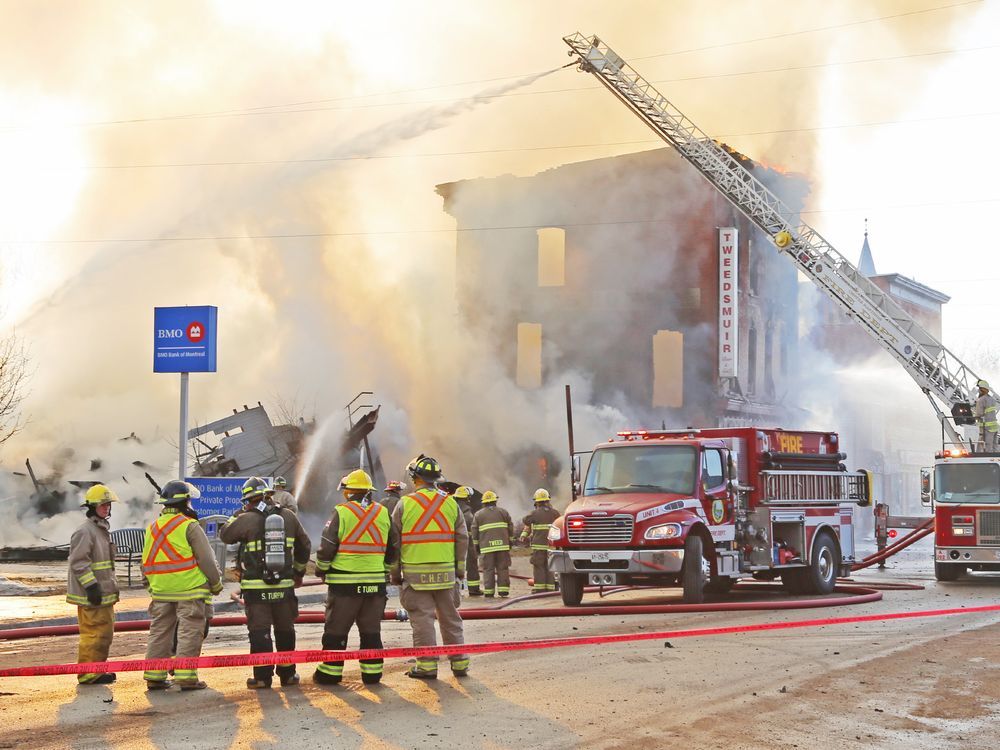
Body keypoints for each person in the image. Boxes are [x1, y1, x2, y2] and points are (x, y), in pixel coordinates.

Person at [219, 476, 311, 689]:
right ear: (269, 495)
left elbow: (225, 535)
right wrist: (298, 573)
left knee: (259, 631)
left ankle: (262, 678)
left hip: (256, 588)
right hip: (284, 586)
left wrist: (239, 513)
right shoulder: (288, 516)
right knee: (285, 630)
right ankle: (288, 675)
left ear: (249, 500)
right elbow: (305, 545)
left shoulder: (246, 518)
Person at [313, 469, 399, 685]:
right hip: (375, 585)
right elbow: (394, 547)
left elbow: (326, 547)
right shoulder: (382, 513)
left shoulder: (341, 512)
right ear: (368, 491)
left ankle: (329, 674)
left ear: (348, 491)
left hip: (344, 586)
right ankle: (372, 675)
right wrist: (384, 570)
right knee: (371, 631)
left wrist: (321, 569)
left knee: (336, 631)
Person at [390, 454, 470, 679]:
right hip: (446, 575)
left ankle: (426, 666)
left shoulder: (404, 504)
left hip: (416, 578)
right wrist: (460, 570)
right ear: (436, 479)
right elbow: (462, 538)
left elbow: (394, 543)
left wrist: (395, 573)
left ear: (416, 478)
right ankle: (460, 663)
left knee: (422, 619)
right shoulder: (450, 503)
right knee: (450, 618)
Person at [141, 480, 224, 691]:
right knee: (190, 630)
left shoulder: (152, 528)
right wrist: (215, 583)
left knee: (160, 631)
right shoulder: (189, 526)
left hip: (161, 590)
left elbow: (146, 561)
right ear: (185, 502)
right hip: (189, 588)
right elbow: (206, 559)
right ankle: (186, 677)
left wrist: (151, 585)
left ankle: (154, 676)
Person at [67, 484, 121, 685]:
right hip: (92, 595)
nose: (106, 508)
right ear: (92, 506)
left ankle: (96, 670)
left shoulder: (99, 529)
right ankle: (89, 673)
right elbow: (79, 562)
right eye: (102, 505)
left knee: (104, 634)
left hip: (103, 593)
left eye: (108, 504)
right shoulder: (85, 531)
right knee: (93, 634)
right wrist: (91, 586)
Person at [472, 490, 514, 598]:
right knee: (503, 568)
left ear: (484, 502)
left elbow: (474, 531)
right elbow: (510, 527)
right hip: (502, 546)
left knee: (488, 569)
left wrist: (476, 546)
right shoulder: (503, 512)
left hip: (486, 547)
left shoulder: (478, 515)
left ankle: (489, 592)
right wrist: (510, 541)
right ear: (495, 501)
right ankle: (503, 591)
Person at [519, 488, 560, 593]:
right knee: (550, 567)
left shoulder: (535, 513)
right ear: (548, 500)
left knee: (539, 566)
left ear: (536, 501)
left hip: (539, 546)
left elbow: (526, 520)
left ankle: (540, 588)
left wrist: (535, 512)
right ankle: (550, 588)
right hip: (551, 546)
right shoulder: (555, 513)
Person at [453, 486, 482, 596]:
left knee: (454, 566)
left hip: (452, 544)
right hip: (468, 544)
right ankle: (474, 589)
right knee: (472, 565)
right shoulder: (468, 514)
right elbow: (473, 530)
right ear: (467, 498)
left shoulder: (451, 509)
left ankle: (455, 591)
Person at [975, 379, 999, 452]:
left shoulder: (981, 400)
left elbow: (979, 414)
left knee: (987, 447)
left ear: (982, 389)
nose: (978, 391)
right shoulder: (992, 399)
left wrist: (973, 414)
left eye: (979, 389)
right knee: (995, 446)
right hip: (994, 427)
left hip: (987, 427)